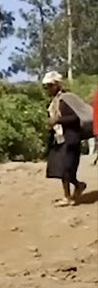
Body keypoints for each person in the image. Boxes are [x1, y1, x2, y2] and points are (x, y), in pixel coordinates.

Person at [42, 71, 89, 205]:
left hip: (70, 138)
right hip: (60, 138)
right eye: (46, 87)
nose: (48, 89)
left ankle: (67, 197)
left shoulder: (65, 100)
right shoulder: (54, 102)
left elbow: (74, 118)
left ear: (56, 85)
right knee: (61, 168)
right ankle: (78, 186)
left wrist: (57, 120)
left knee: (66, 168)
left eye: (50, 86)